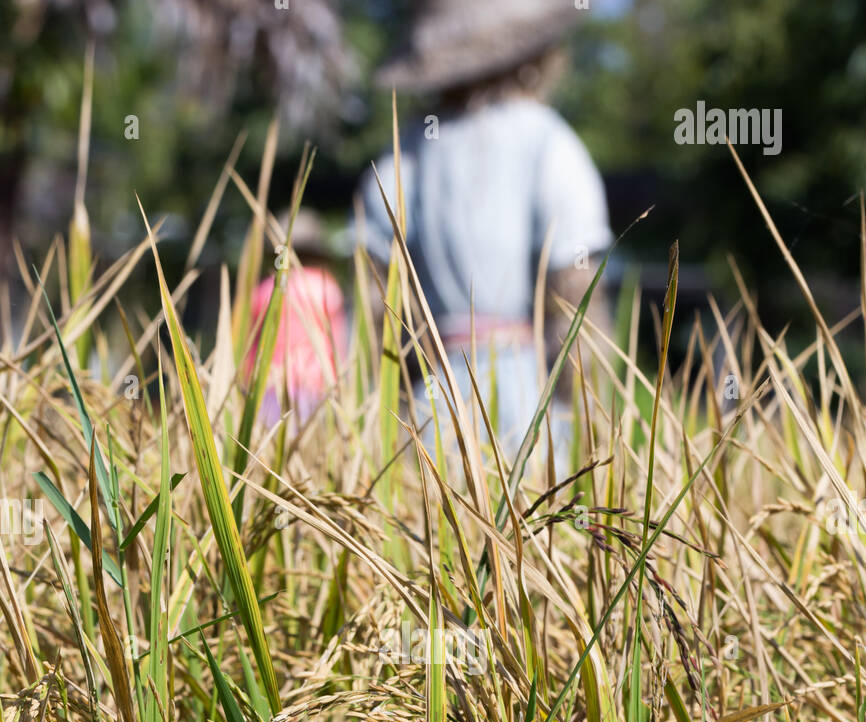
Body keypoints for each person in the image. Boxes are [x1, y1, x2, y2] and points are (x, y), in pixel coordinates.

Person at [356, 0, 613, 470]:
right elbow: (577, 299)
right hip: (529, 403)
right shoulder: (548, 140)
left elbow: (380, 307)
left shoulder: (402, 152)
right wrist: (586, 417)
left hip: (433, 400)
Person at [246, 208, 348, 429]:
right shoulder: (327, 288)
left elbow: (253, 347)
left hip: (270, 386)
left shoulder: (265, 290)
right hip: (314, 386)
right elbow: (338, 346)